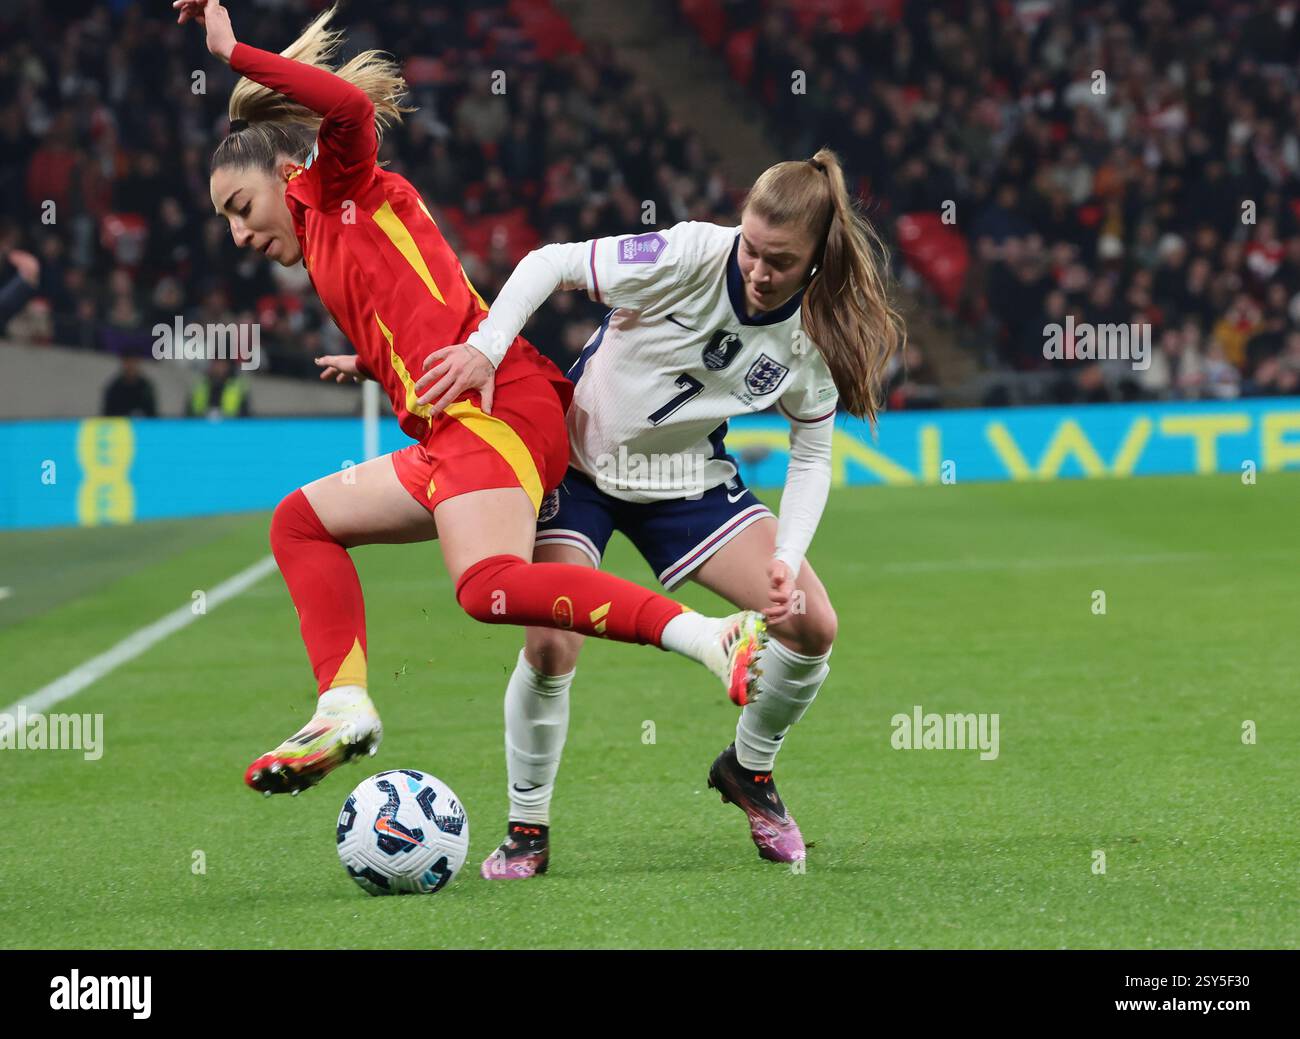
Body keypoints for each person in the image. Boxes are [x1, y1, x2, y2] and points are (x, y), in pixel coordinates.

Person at [175, 0, 766, 795]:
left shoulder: (338, 182)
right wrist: (376, 360)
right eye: (226, 223)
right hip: (452, 430)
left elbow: (346, 106)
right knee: (301, 522)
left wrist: (232, 50)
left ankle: (709, 636)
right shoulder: (321, 240)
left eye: (240, 209)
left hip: (497, 409)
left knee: (486, 585)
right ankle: (343, 703)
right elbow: (424, 297)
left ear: (286, 176)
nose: (239, 235)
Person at [413, 148, 903, 873]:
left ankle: (749, 769)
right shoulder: (689, 253)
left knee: (810, 622)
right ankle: (527, 828)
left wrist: (785, 558)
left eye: (779, 260)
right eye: (752, 248)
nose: (757, 271)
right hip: (577, 467)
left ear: (817, 261)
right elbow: (552, 261)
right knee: (551, 645)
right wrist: (486, 349)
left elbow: (811, 454)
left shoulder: (815, 338)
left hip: (686, 479)